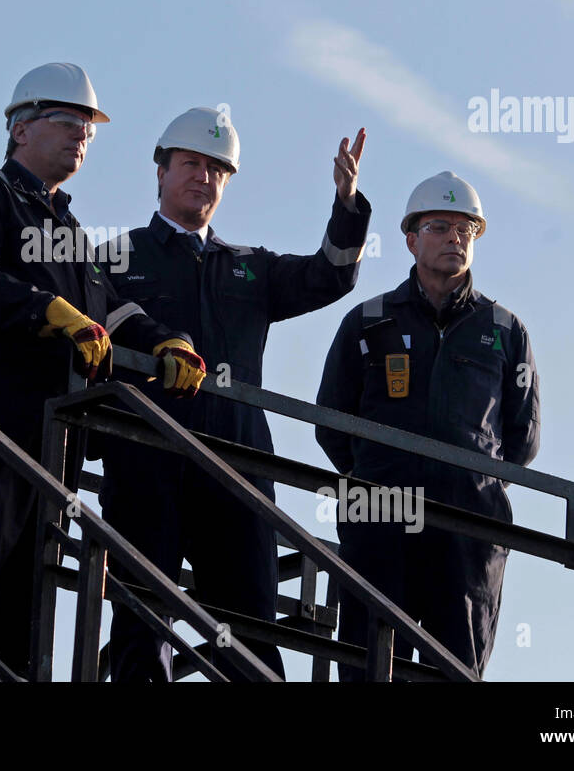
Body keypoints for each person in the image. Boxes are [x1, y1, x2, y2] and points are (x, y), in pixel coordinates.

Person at [0, 63, 206, 682]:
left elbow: (116, 313)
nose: (81, 138)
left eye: (89, 131)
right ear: (20, 128)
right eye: (69, 122)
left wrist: (168, 343)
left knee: (25, 602)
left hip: (53, 446)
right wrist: (45, 309)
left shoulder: (70, 233)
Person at [95, 107, 370, 681]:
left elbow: (331, 275)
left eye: (217, 170)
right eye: (190, 164)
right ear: (161, 173)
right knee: (142, 625)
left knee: (251, 638)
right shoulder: (114, 257)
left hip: (239, 472)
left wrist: (346, 205)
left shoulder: (250, 268)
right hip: (147, 463)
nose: (203, 177)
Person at [315, 171, 541, 680]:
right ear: (411, 239)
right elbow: (331, 424)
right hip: (377, 519)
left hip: (468, 529)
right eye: (440, 227)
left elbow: (523, 441)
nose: (455, 238)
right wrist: (382, 475)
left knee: (454, 669)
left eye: (466, 229)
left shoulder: (505, 331)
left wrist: (468, 485)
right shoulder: (367, 322)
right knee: (369, 663)